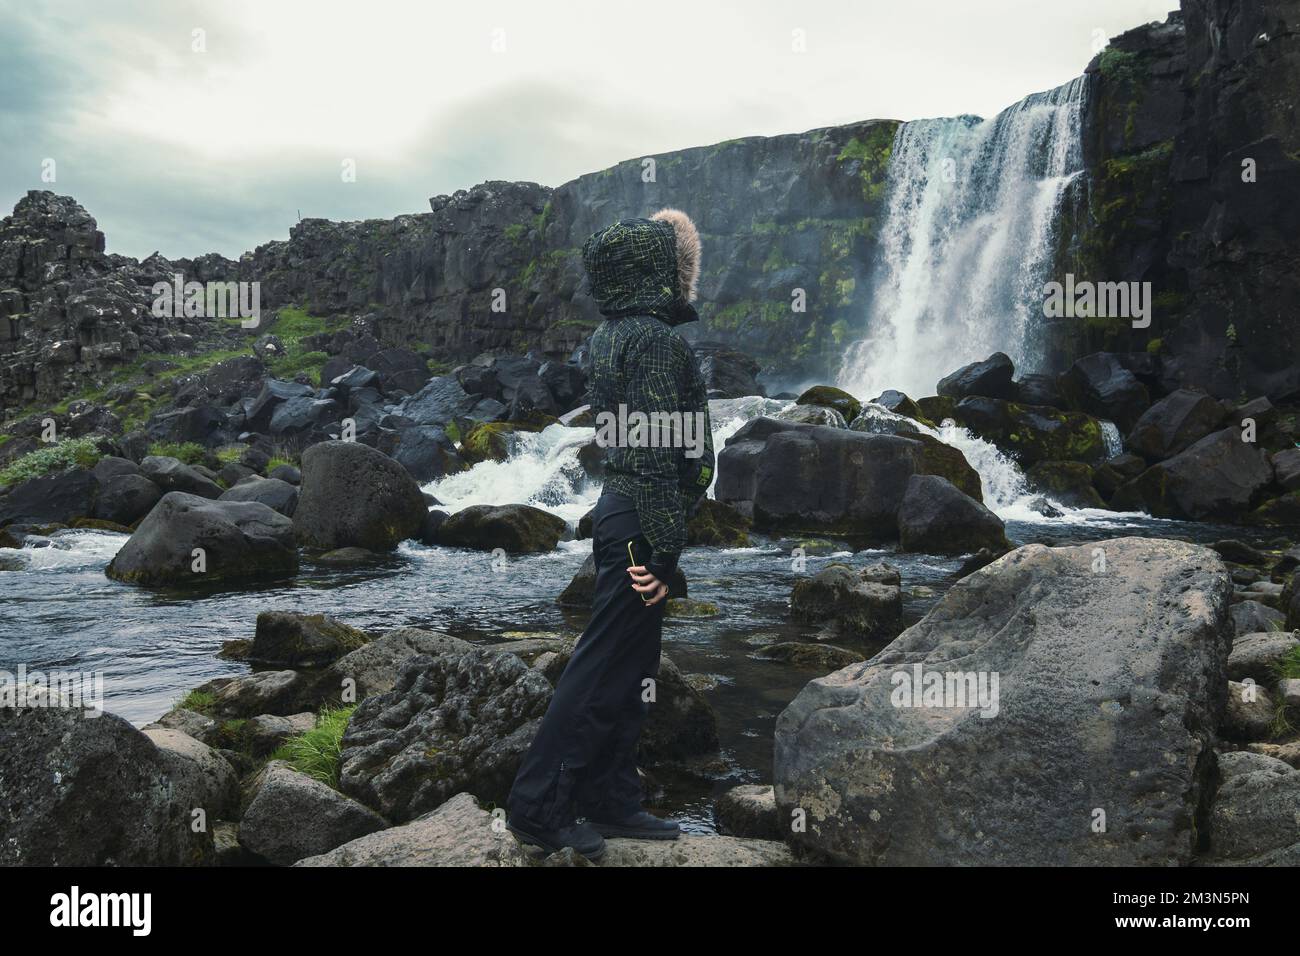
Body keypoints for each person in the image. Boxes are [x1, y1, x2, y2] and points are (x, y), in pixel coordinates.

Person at [505, 209, 714, 860]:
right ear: (661, 270)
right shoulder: (653, 340)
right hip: (638, 517)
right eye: (683, 263)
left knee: (630, 670)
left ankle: (611, 797)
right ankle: (538, 807)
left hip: (624, 511)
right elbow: (652, 449)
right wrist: (660, 550)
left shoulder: (614, 334)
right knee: (602, 671)